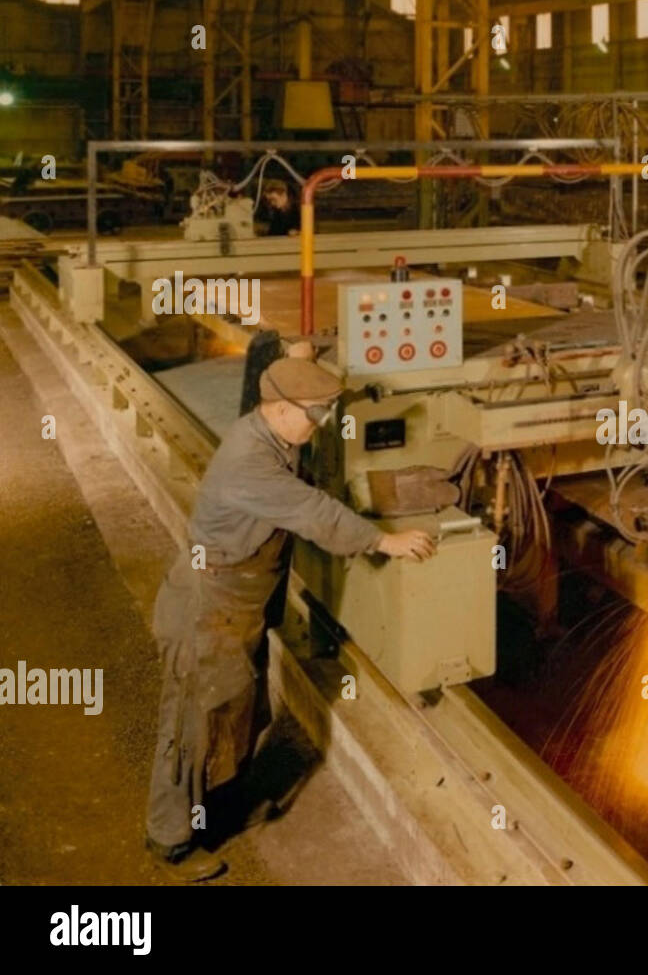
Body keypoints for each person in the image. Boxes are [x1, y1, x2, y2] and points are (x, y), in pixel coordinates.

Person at [145, 356, 434, 881]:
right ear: (279, 409)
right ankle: (172, 842)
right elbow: (313, 512)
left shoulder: (274, 436)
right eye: (316, 413)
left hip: (238, 605)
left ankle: (220, 806)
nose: (321, 422)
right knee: (193, 725)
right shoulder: (249, 460)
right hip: (209, 607)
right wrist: (383, 540)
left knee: (238, 710)